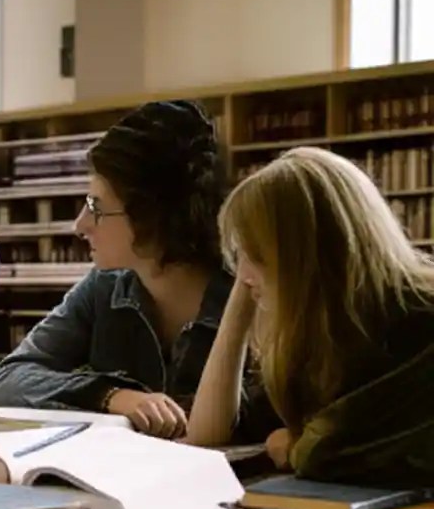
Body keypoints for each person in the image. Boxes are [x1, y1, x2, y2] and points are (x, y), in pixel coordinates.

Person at [186, 147, 434, 487]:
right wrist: (241, 302)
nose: (241, 273)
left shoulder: (419, 320)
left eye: (256, 254)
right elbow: (208, 435)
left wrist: (301, 448)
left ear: (308, 258)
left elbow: (351, 448)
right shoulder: (316, 330)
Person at [0, 100, 235, 440]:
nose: (80, 225)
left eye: (97, 208)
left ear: (153, 217)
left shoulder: (250, 292)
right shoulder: (103, 287)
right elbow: (10, 377)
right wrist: (111, 395)